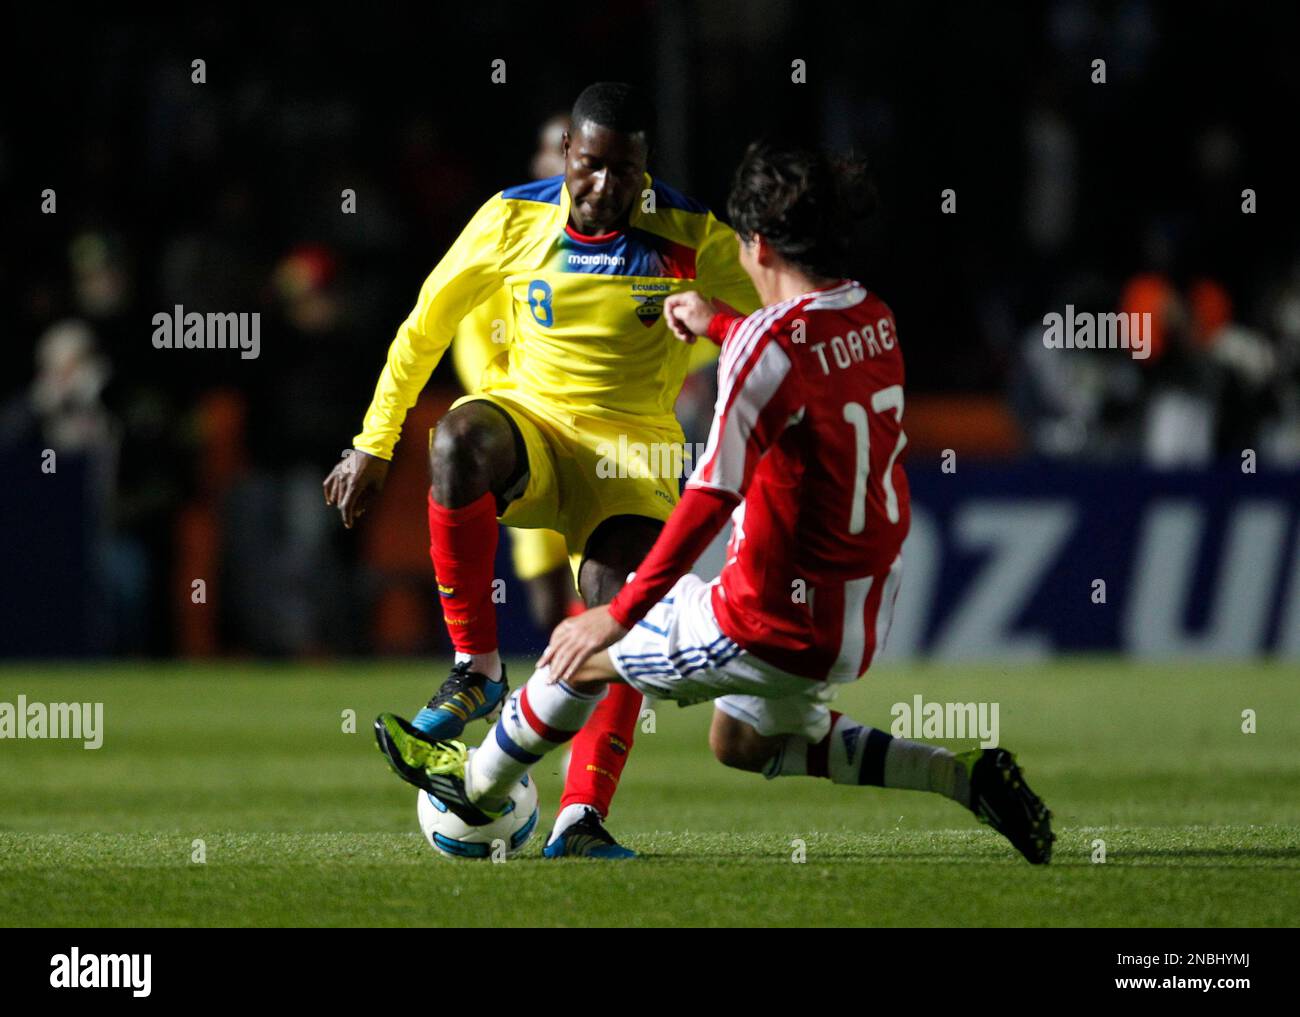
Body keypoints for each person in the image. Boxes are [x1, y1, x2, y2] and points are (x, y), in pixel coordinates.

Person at [387, 140, 1054, 865]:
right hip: (856, 619)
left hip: (763, 618)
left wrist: (619, 612)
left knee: (580, 654)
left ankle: (473, 787)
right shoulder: (874, 318)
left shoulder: (761, 351)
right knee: (741, 741)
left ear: (758, 245)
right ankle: (964, 778)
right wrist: (714, 321)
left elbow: (710, 495)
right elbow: (799, 359)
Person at [327, 82, 759, 856]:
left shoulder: (695, 236)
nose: (604, 188)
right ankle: (476, 669)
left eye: (624, 173)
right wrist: (375, 441)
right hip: (534, 426)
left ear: (645, 169)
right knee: (456, 439)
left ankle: (579, 818)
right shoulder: (511, 216)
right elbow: (426, 324)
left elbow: (772, 323)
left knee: (618, 622)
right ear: (567, 154)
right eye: (590, 167)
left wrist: (732, 331)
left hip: (633, 455)